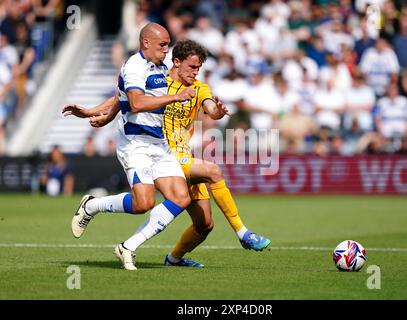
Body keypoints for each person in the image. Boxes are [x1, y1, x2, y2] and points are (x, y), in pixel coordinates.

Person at [64, 39, 271, 268]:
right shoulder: (159, 81)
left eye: (199, 68)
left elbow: (210, 107)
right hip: (161, 152)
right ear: (176, 62)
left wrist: (218, 113)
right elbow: (122, 98)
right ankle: (243, 233)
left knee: (205, 225)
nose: (196, 72)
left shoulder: (199, 89)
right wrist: (93, 112)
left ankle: (173, 259)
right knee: (212, 171)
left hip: (183, 157)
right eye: (192, 67)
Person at [65, 23, 197, 271]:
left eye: (168, 44)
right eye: (162, 44)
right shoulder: (135, 66)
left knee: (181, 198)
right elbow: (135, 102)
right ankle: (91, 205)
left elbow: (121, 95)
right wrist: (175, 96)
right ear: (145, 42)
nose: (167, 49)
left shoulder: (159, 66)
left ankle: (128, 247)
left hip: (159, 143)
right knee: (143, 204)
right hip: (135, 144)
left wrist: (100, 112)